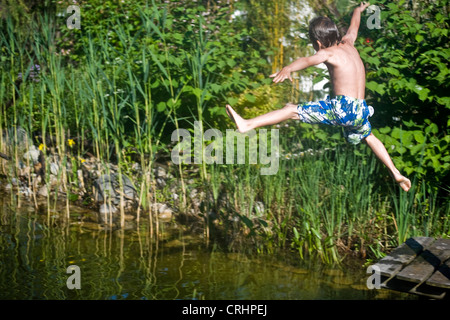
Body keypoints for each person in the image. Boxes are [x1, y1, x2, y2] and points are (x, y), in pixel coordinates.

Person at [225, 2, 411, 192]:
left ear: (319, 43)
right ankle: (395, 172)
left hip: (343, 109)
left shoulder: (327, 53)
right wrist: (358, 10)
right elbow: (354, 27)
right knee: (369, 137)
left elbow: (307, 61)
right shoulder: (349, 43)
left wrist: (288, 68)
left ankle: (248, 124)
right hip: (360, 110)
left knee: (291, 110)